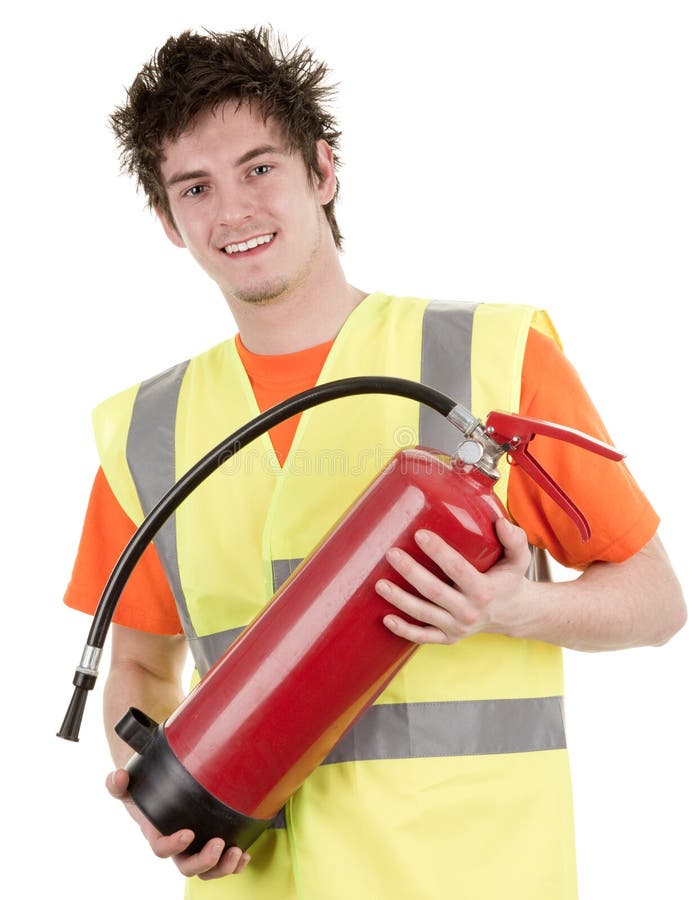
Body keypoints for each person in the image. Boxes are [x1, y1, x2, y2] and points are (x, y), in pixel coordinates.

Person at [63, 26, 686, 900]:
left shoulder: (491, 356)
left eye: (259, 167)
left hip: (475, 875)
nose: (233, 210)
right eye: (195, 187)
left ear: (321, 171)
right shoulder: (146, 430)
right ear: (169, 221)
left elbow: (657, 602)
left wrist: (514, 605)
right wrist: (156, 791)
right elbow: (137, 667)